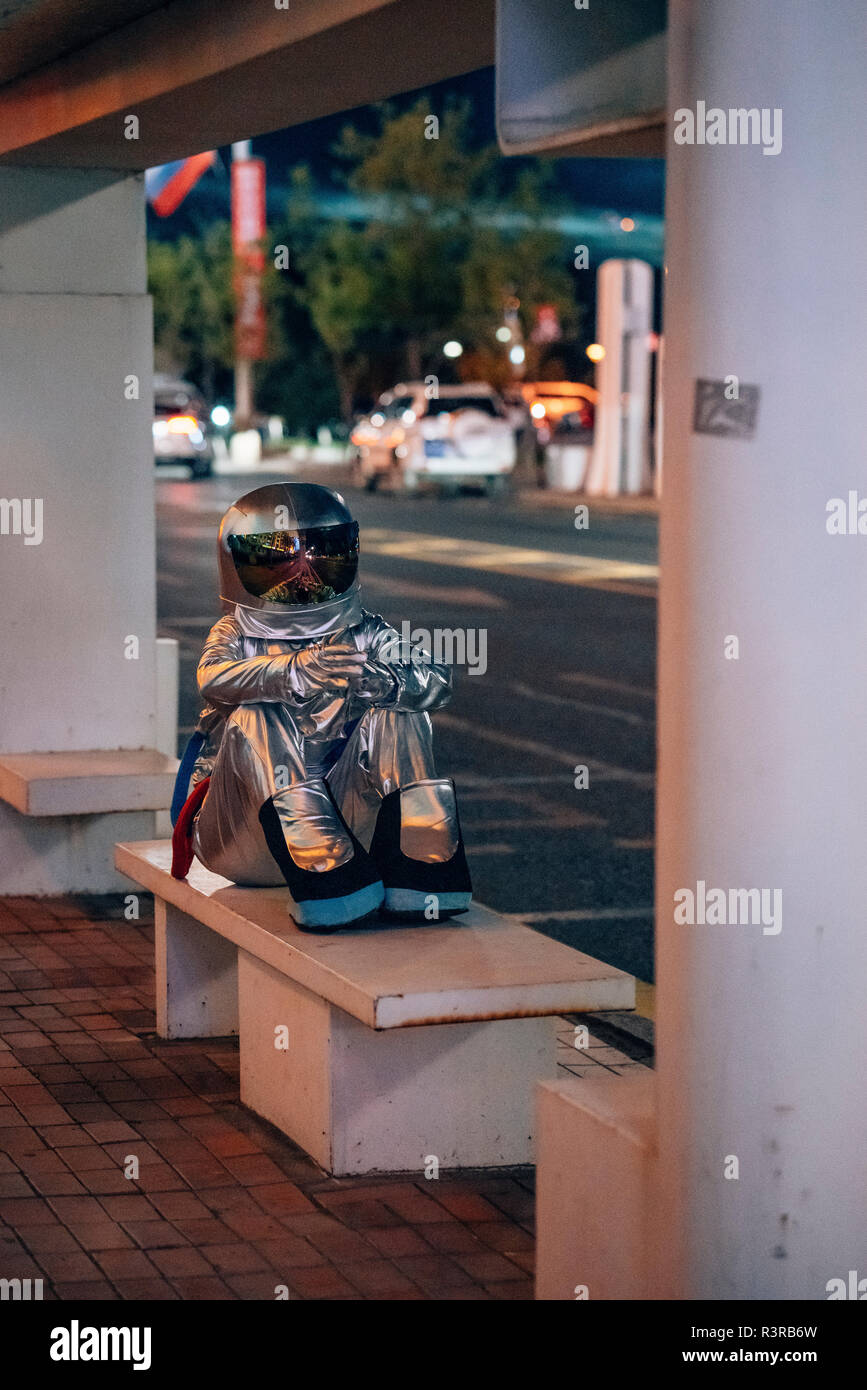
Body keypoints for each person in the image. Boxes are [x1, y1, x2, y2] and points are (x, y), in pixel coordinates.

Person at [171, 481, 472, 931]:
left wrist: (379, 681)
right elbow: (212, 680)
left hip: (348, 831)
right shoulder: (236, 631)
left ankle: (424, 868)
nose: (304, 574)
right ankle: (324, 879)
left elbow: (437, 681)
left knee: (400, 707)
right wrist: (295, 671)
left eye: (320, 553)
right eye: (279, 558)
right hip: (242, 837)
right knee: (258, 711)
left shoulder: (365, 630)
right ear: (239, 564)